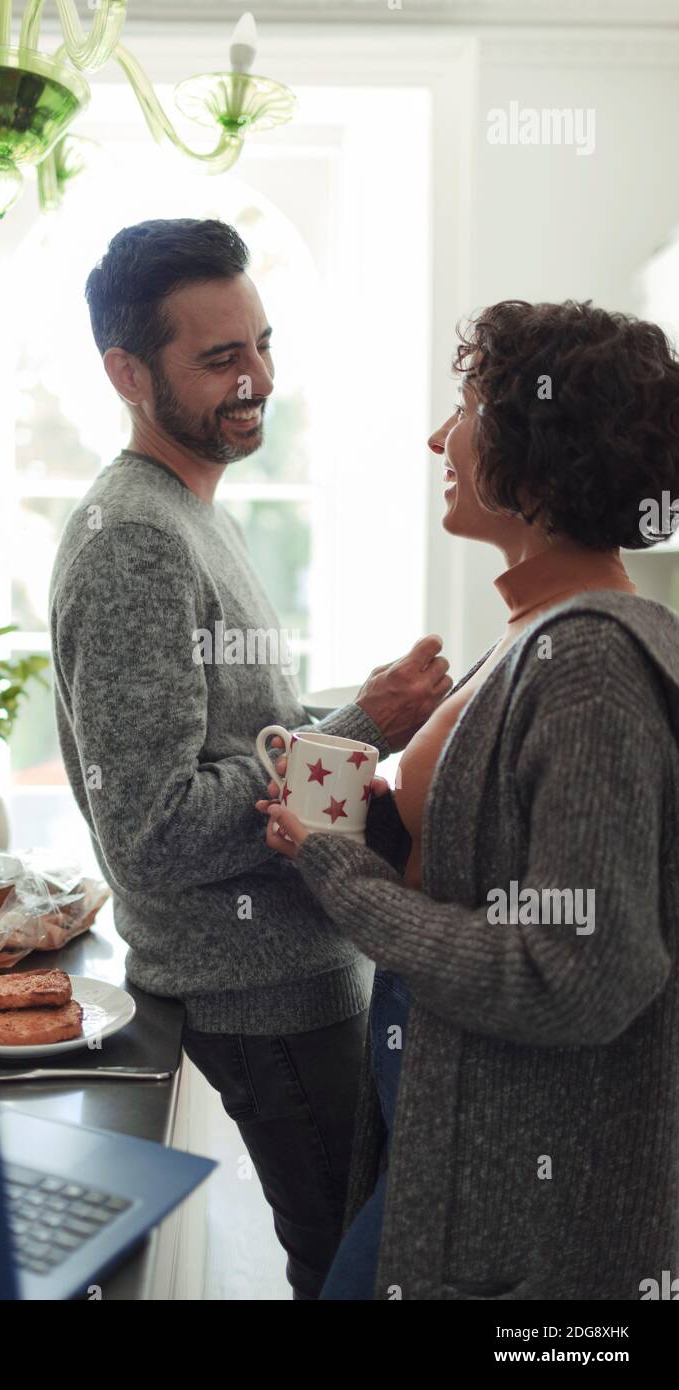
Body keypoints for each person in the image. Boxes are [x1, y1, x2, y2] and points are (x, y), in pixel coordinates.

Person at [48, 217, 452, 1299]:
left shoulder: (187, 508)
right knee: (348, 1270)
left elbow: (243, 738)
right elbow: (155, 828)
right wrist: (362, 722)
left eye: (261, 344)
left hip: (295, 969)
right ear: (127, 373)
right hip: (256, 990)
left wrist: (368, 712)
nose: (258, 378)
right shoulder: (136, 537)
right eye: (220, 357)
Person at [258, 298, 679, 1300]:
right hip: (458, 1136)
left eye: (470, 406)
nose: (439, 435)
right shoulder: (532, 633)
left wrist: (336, 871)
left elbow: (576, 976)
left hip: (511, 1208)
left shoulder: (585, 668)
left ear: (538, 460)